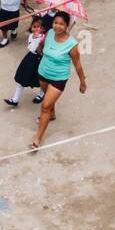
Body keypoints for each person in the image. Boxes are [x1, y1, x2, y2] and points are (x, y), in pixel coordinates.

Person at [31, 10, 86, 149]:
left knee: (45, 106)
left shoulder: (72, 44)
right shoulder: (49, 33)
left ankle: (38, 138)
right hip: (43, 72)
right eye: (55, 22)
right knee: (49, 104)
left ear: (67, 25)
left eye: (62, 24)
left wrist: (82, 82)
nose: (57, 26)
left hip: (59, 78)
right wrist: (36, 44)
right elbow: (42, 48)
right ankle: (52, 114)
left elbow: (78, 65)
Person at [6, 18, 48, 107]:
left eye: (39, 27)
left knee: (41, 80)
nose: (36, 29)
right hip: (30, 59)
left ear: (43, 29)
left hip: (40, 61)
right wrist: (36, 40)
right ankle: (15, 99)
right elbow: (30, 48)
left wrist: (40, 41)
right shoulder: (31, 36)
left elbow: (41, 51)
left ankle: (41, 94)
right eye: (34, 27)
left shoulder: (44, 38)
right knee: (22, 79)